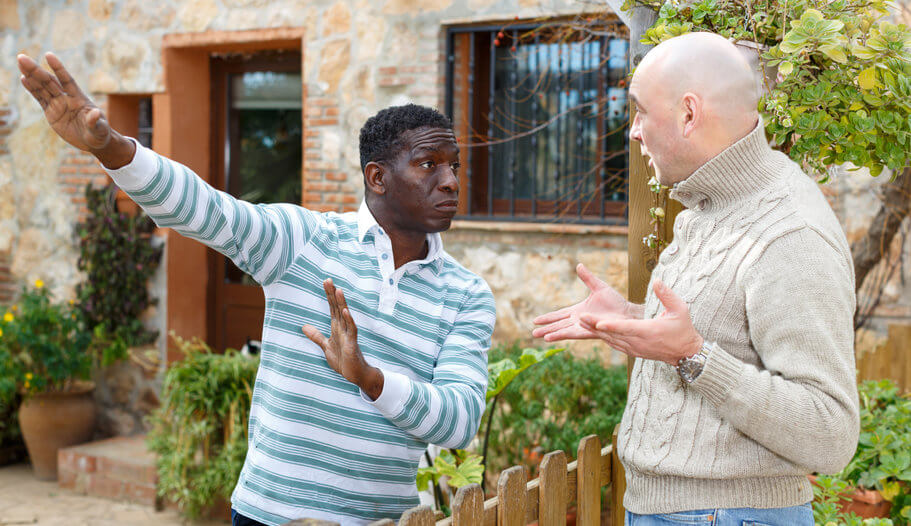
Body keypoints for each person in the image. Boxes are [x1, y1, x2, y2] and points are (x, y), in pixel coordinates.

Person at [17, 52, 495, 526]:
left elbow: (458, 421)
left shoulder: (466, 294)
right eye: (429, 164)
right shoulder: (303, 240)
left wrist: (369, 379)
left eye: (454, 166)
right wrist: (112, 148)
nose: (451, 181)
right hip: (271, 515)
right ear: (377, 177)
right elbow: (203, 210)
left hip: (382, 521)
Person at [533, 32, 859, 526]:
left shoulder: (791, 235)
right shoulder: (713, 203)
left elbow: (830, 434)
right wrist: (634, 318)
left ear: (689, 114)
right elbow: (720, 328)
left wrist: (692, 356)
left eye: (640, 111)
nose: (633, 132)